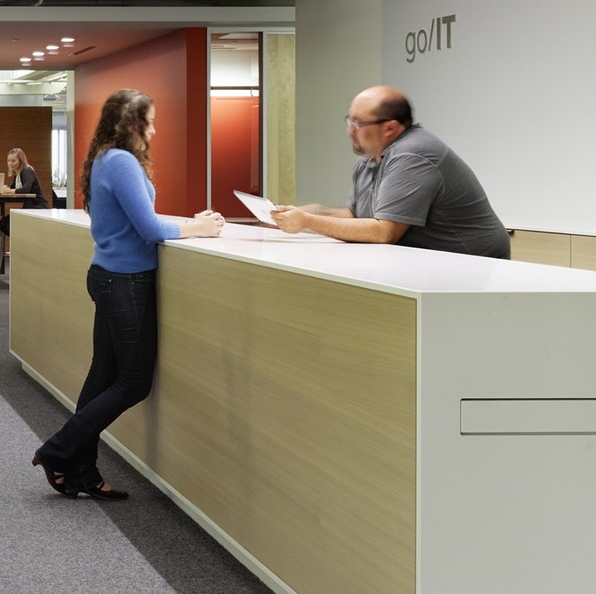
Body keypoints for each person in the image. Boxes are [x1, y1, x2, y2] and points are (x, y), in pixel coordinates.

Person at [33, 90, 223, 499]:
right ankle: (57, 450)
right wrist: (199, 227)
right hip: (126, 282)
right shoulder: (121, 161)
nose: (154, 130)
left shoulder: (105, 157)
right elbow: (150, 229)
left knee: (102, 376)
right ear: (130, 124)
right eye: (149, 122)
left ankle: (81, 472)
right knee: (133, 384)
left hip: (109, 276)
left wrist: (188, 226)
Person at [270, 85, 509, 258]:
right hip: (430, 263)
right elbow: (355, 216)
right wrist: (312, 212)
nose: (350, 130)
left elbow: (384, 232)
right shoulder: (369, 159)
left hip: (473, 265)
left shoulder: (413, 155)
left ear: (390, 128)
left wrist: (308, 222)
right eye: (349, 121)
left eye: (358, 123)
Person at [0, 146, 46, 239]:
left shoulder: (27, 170)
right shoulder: (18, 174)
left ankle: (23, 240)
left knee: (5, 224)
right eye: (8, 161)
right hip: (29, 208)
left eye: (13, 161)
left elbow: (26, 189)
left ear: (21, 161)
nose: (10, 163)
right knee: (4, 223)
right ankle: (22, 240)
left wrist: (8, 191)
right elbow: (11, 187)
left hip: (38, 208)